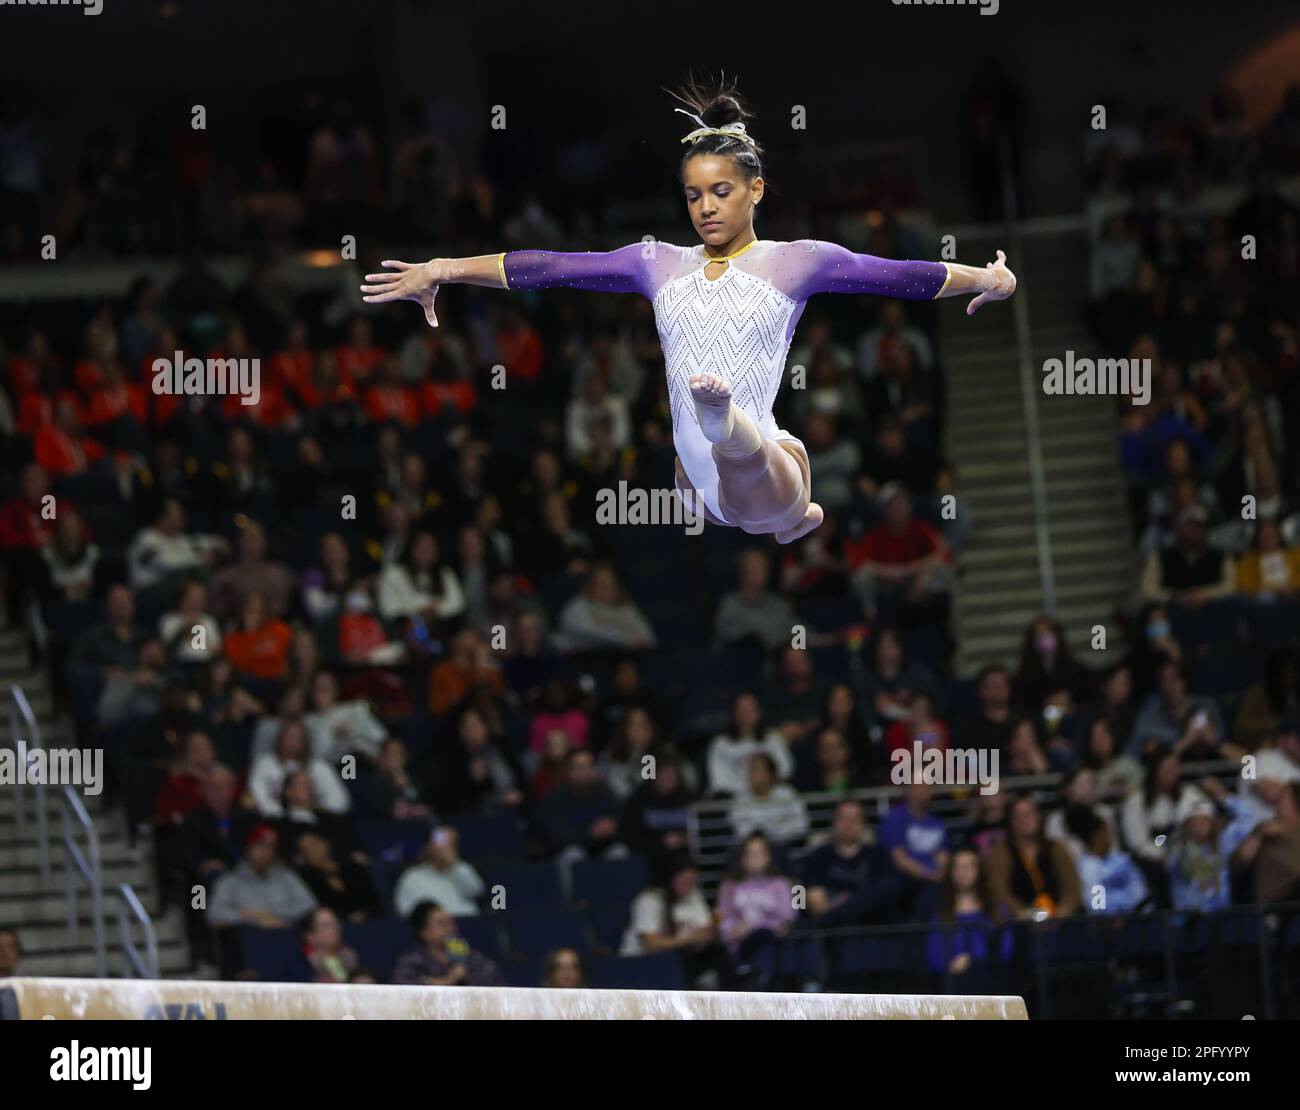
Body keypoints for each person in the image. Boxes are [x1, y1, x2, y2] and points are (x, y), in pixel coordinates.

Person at [362, 76, 1015, 543]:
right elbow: (551, 267)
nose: (705, 208)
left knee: (752, 466)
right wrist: (443, 269)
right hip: (698, 482)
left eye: (721, 191)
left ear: (756, 189)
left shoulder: (796, 261)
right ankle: (777, 502)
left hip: (762, 460)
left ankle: (742, 445)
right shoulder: (658, 264)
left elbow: (896, 277)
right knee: (751, 496)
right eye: (693, 195)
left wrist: (986, 277)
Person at [207, 825, 318, 975]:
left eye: (270, 848)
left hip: (286, 938)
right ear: (248, 849)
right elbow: (214, 914)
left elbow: (309, 904)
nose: (266, 853)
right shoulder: (230, 881)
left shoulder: (286, 876)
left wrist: (275, 916)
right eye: (260, 847)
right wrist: (250, 917)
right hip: (249, 947)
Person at [621, 858, 723, 988]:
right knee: (680, 959)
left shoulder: (693, 895)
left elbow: (705, 928)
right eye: (685, 881)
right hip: (640, 962)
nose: (690, 886)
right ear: (671, 878)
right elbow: (651, 944)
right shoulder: (649, 899)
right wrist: (688, 939)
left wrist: (712, 931)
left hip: (679, 959)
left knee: (717, 953)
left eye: (693, 881)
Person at [800, 800, 903, 926]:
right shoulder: (818, 857)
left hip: (872, 930)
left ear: (863, 825)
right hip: (833, 933)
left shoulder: (879, 856)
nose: (848, 824)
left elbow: (886, 897)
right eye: (843, 818)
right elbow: (817, 907)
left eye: (855, 819)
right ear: (833, 822)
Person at [716, 833, 797, 988]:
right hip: (742, 945)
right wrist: (733, 932)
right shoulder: (729, 886)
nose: (755, 859)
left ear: (769, 857)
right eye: (750, 854)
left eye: (760, 853)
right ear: (742, 858)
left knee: (769, 940)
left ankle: (767, 981)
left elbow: (786, 918)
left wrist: (752, 925)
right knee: (764, 941)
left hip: (771, 941)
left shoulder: (781, 884)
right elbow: (724, 919)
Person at [985, 795, 1081, 919]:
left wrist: (1062, 912)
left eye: (1031, 814)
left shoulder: (1056, 848)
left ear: (1039, 818)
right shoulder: (1000, 853)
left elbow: (1072, 886)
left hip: (1059, 920)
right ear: (1011, 821)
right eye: (1020, 816)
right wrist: (1023, 914)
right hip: (1019, 924)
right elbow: (998, 890)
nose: (1026, 819)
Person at [928, 847, 1010, 979]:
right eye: (958, 867)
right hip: (952, 987)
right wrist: (952, 965)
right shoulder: (940, 914)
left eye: (970, 866)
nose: (963, 872)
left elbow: (1006, 951)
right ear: (950, 872)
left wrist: (972, 961)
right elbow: (934, 958)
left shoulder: (997, 909)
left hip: (990, 982)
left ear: (980, 871)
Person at [878, 781, 949, 919]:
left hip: (934, 879)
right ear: (907, 789)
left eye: (927, 787)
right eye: (918, 786)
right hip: (905, 880)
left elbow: (943, 855)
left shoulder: (937, 823)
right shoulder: (894, 819)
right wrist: (929, 875)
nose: (923, 791)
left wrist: (942, 873)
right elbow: (899, 859)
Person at [392, 902, 505, 987]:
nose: (450, 928)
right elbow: (403, 986)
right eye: (442, 923)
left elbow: (494, 981)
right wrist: (448, 980)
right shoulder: (413, 961)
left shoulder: (469, 956)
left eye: (450, 922)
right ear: (424, 932)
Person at [706, 691, 793, 797]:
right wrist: (750, 788)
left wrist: (762, 786)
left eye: (749, 709)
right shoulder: (720, 743)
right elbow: (718, 782)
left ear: (759, 712)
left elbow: (785, 770)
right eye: (741, 709)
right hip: (735, 798)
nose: (745, 714)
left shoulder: (772, 739)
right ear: (733, 714)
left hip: (770, 795)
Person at [1067, 805, 1150, 915]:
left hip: (1135, 918)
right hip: (1106, 925)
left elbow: (1140, 891)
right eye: (1106, 832)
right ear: (1095, 836)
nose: (1110, 836)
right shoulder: (1085, 867)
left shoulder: (1122, 860)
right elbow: (1096, 905)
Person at [291, 830, 381, 924]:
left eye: (315, 845)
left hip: (371, 920)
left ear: (326, 844)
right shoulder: (307, 880)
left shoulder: (352, 867)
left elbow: (375, 900)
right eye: (307, 851)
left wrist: (364, 914)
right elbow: (317, 909)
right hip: (336, 925)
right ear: (303, 858)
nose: (315, 851)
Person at [393, 827, 485, 918]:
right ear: (428, 846)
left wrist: (453, 864)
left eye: (452, 843)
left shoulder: (461, 868)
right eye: (442, 842)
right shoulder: (412, 877)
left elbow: (477, 892)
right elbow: (408, 914)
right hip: (437, 930)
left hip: (470, 924)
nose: (446, 849)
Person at [1167, 789, 1232, 912]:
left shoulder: (1221, 846)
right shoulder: (1178, 850)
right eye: (1196, 820)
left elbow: (1248, 820)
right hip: (1191, 920)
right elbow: (1199, 875)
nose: (1202, 825)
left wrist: (1226, 798)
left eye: (1206, 820)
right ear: (1187, 824)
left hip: (1222, 916)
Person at [728, 753, 809, 844]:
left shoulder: (787, 794)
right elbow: (740, 829)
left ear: (771, 774)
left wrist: (775, 835)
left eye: (758, 770)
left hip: (785, 845)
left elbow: (800, 823)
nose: (752, 775)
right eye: (751, 770)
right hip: (754, 850)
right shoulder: (741, 799)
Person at [300, 906, 360, 984]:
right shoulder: (301, 962)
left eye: (336, 923)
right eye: (327, 925)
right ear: (310, 936)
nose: (335, 929)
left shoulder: (349, 956)